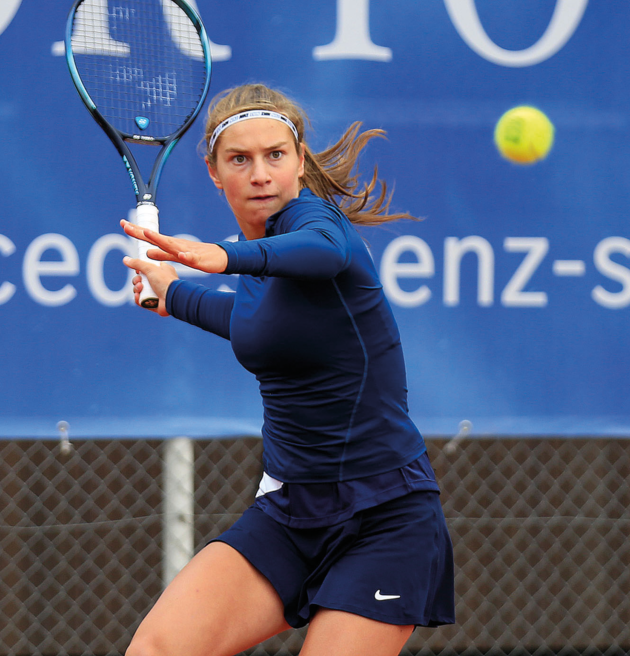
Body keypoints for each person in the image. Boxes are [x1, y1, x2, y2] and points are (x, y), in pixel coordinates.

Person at [119, 83, 455, 656]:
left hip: (385, 519)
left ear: (299, 161)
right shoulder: (260, 266)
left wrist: (219, 255)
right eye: (240, 160)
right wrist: (173, 293)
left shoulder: (317, 228)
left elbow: (321, 251)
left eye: (276, 155)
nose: (260, 174)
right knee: (157, 650)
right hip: (289, 513)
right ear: (213, 172)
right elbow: (254, 322)